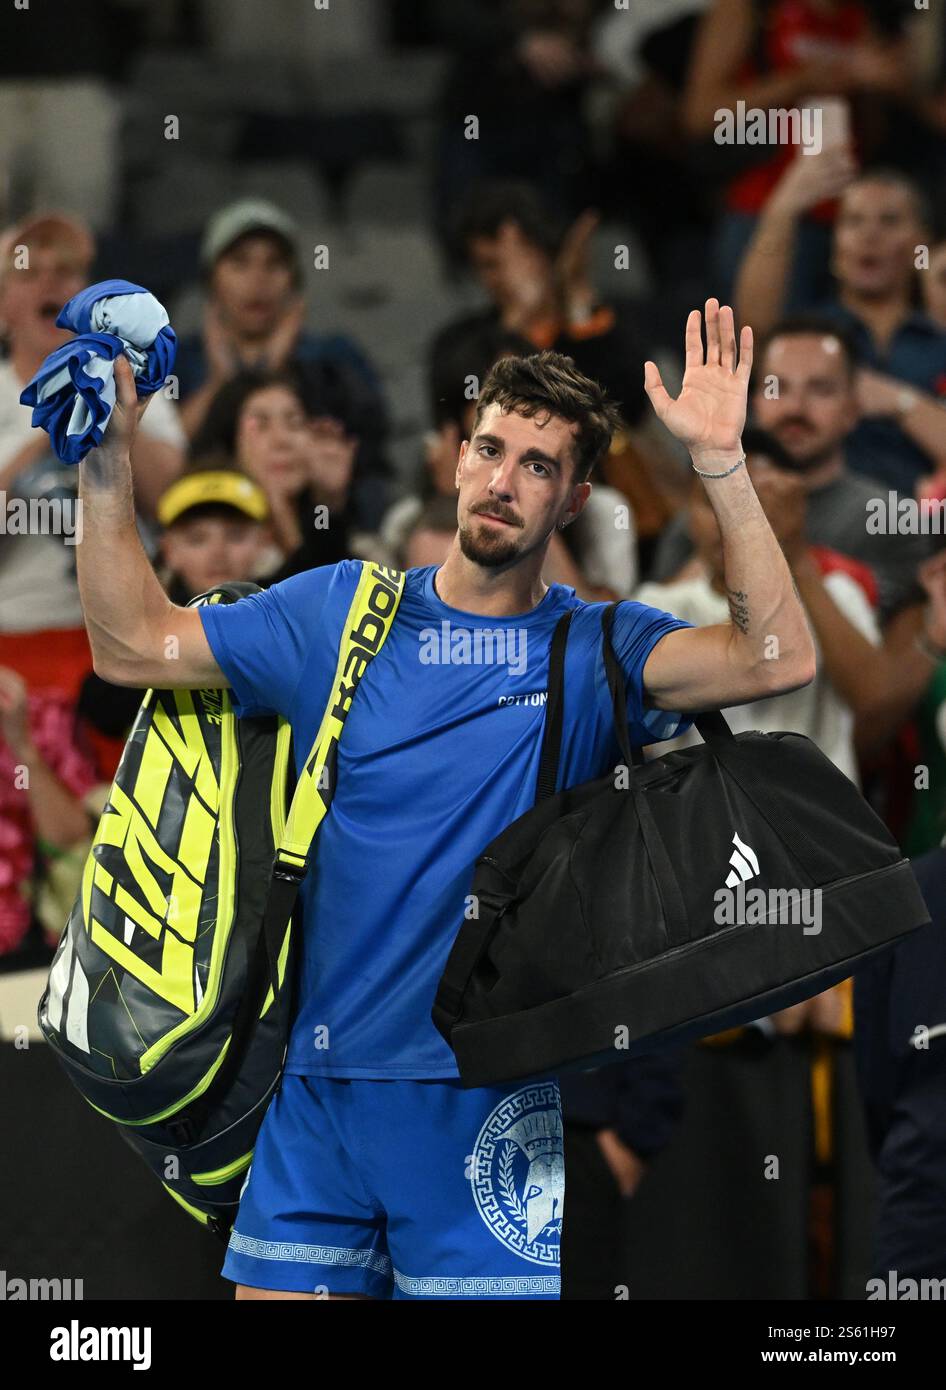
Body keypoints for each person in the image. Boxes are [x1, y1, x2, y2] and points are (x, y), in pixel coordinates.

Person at [75, 299, 815, 1300]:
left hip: (490, 1109)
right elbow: (131, 645)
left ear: (575, 499)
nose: (503, 482)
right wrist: (106, 460)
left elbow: (778, 657)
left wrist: (720, 464)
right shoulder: (340, 607)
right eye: (490, 449)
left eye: (538, 466)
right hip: (317, 1100)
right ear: (455, 459)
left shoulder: (598, 648)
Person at [650, 315, 934, 623]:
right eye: (777, 388)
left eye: (820, 389)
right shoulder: (703, 513)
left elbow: (897, 652)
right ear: (754, 401)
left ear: (852, 410)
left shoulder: (892, 517)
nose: (796, 408)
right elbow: (654, 627)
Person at [174, 199, 392, 530]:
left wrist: (276, 370)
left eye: (275, 264)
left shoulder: (334, 357)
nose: (258, 280)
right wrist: (222, 383)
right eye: (239, 263)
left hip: (322, 531)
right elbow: (164, 463)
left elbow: (361, 460)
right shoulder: (177, 359)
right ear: (211, 281)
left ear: (294, 280)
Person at [734, 164, 946, 491]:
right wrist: (784, 208)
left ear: (922, 244)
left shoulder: (940, 344)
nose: (869, 235)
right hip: (815, 515)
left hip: (927, 523)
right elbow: (753, 326)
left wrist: (901, 402)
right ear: (835, 244)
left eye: (889, 221)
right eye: (853, 221)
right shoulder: (804, 336)